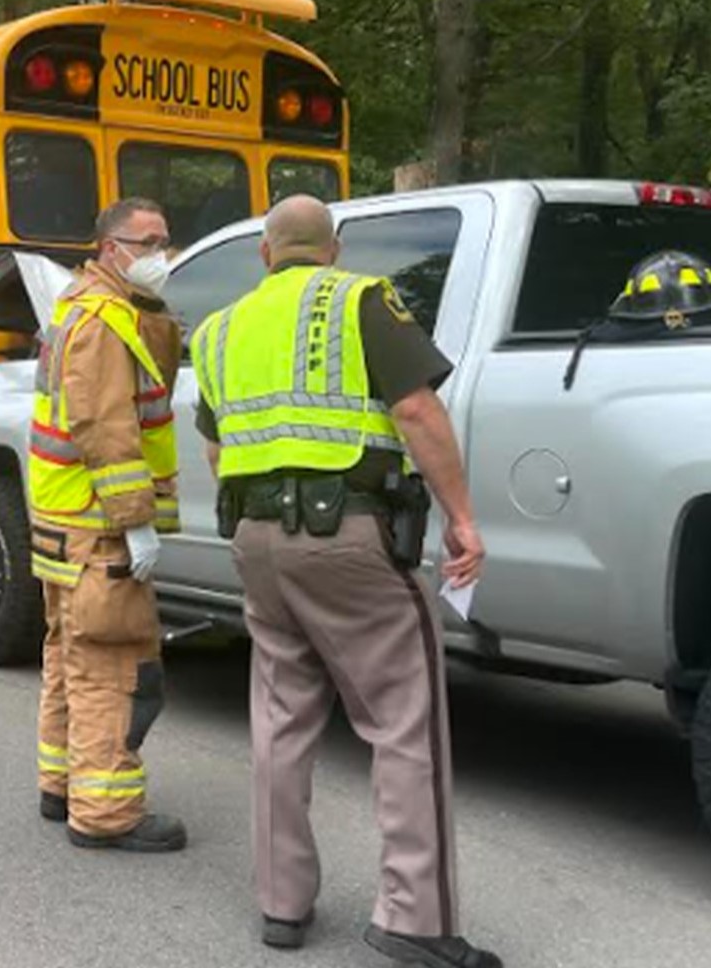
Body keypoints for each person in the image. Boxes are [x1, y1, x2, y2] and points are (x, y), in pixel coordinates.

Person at [191, 196, 499, 967]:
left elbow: (216, 448)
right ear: (331, 249)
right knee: (403, 718)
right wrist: (462, 517)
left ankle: (280, 903)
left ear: (265, 255)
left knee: (281, 715)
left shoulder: (218, 330)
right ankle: (415, 918)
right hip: (347, 536)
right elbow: (418, 411)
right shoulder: (360, 297)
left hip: (257, 541)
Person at [30, 197, 188, 852]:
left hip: (63, 519)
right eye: (146, 242)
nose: (160, 253)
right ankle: (106, 814)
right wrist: (136, 523)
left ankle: (61, 783)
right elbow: (105, 428)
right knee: (112, 665)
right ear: (108, 247)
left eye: (165, 240)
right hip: (98, 527)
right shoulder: (102, 322)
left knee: (69, 654)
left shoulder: (84, 309)